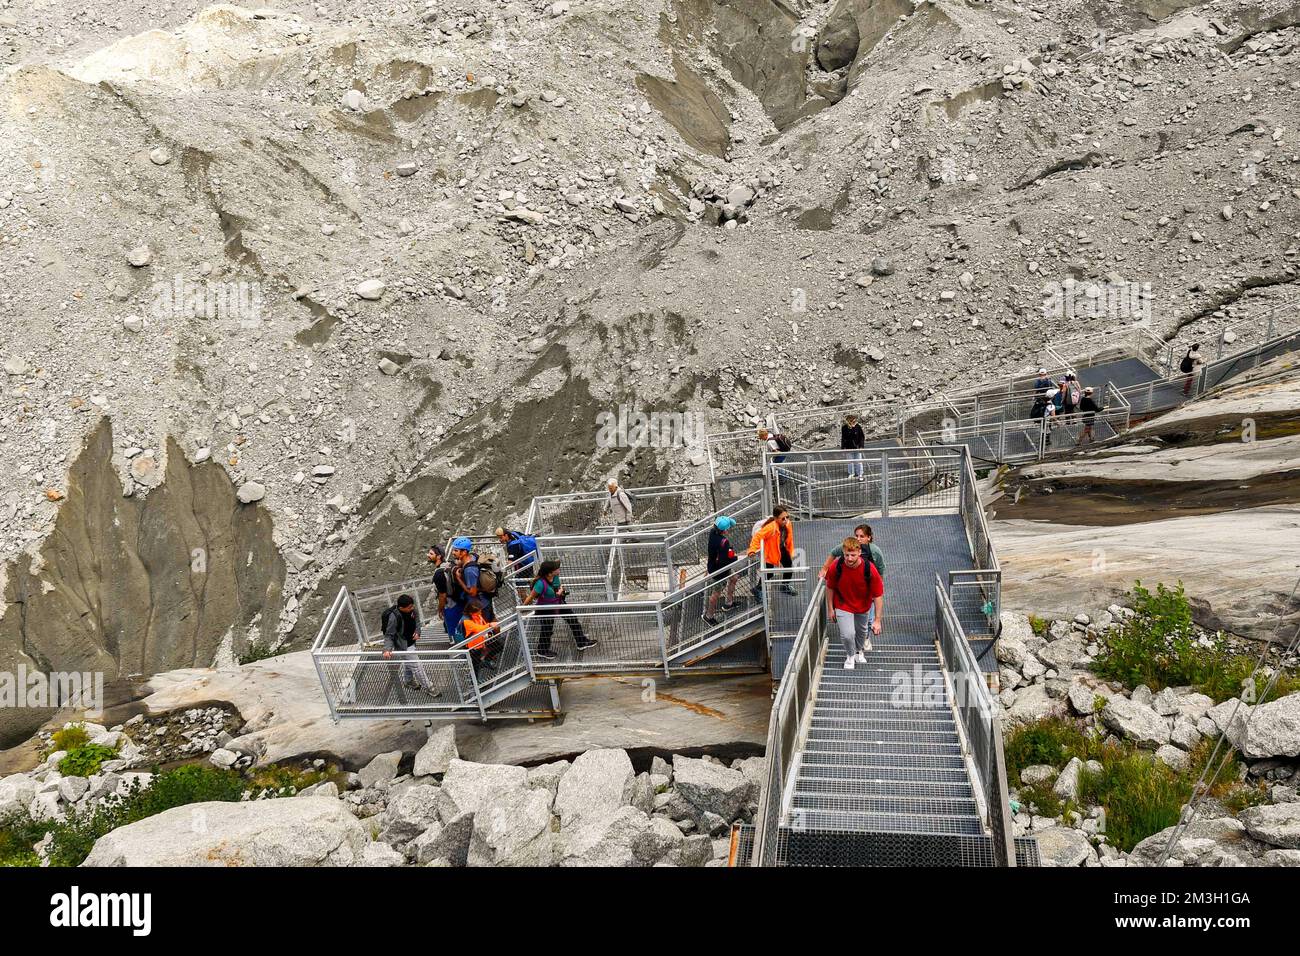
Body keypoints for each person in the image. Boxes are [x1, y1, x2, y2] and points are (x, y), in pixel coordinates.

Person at [824, 539, 884, 670]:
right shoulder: (836, 566)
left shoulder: (869, 568)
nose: (849, 559)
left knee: (862, 632)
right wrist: (830, 608)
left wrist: (877, 620)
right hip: (842, 604)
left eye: (853, 555)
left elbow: (878, 595)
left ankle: (858, 651)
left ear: (859, 552)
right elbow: (830, 587)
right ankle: (850, 655)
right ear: (843, 553)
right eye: (846, 555)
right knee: (847, 634)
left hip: (863, 605)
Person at [522, 560, 598, 660]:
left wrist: (561, 591)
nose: (559, 569)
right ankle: (542, 651)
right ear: (550, 572)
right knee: (547, 630)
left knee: (573, 620)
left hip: (558, 603)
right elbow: (531, 597)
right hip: (545, 608)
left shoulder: (555, 577)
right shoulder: (540, 583)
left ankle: (581, 642)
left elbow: (558, 587)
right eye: (556, 568)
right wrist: (522, 609)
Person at [381, 594, 440, 698]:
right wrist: (387, 649)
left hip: (411, 642)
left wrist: (417, 632)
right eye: (409, 607)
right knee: (417, 666)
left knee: (410, 663)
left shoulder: (412, 610)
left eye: (412, 606)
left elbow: (417, 623)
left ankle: (408, 681)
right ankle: (429, 688)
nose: (412, 608)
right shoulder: (394, 617)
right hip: (403, 646)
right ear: (401, 608)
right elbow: (389, 635)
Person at [445, 536, 495, 638]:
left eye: (456, 550)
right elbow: (462, 562)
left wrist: (458, 578)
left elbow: (472, 592)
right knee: (492, 620)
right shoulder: (472, 557)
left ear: (464, 552)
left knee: (485, 629)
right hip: (484, 600)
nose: (453, 553)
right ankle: (496, 641)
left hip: (480, 604)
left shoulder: (470, 570)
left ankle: (492, 648)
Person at [748, 506, 797, 596]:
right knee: (769, 573)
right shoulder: (771, 527)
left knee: (789, 566)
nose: (785, 520)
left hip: (781, 548)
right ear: (775, 518)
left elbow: (789, 538)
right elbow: (758, 537)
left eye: (787, 517)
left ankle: (784, 585)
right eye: (783, 518)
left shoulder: (788, 524)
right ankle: (758, 589)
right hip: (770, 551)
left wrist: (790, 551)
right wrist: (752, 550)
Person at [703, 516, 740, 625]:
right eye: (728, 528)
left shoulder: (712, 533)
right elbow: (724, 561)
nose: (729, 530)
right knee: (716, 594)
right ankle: (708, 616)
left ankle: (728, 603)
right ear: (724, 530)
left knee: (734, 578)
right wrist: (734, 558)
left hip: (713, 566)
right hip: (719, 571)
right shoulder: (724, 542)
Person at [455, 597, 501, 675]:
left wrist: (488, 635)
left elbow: (482, 624)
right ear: (472, 612)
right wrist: (490, 625)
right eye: (478, 611)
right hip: (473, 647)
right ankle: (476, 684)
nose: (480, 612)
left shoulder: (477, 616)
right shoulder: (466, 621)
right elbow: (479, 629)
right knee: (475, 667)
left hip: (480, 642)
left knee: (499, 646)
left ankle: (484, 661)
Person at [821, 524, 885, 581]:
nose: (858, 539)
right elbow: (833, 553)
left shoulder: (875, 551)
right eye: (856, 536)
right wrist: (824, 569)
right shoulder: (848, 546)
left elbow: (880, 570)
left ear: (869, 537)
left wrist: (879, 588)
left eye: (862, 536)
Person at [426, 544, 451, 634]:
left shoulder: (439, 573)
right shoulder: (446, 566)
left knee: (451, 629)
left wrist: (440, 609)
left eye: (431, 554)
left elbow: (442, 595)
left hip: (449, 604)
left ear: (439, 556)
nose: (428, 555)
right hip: (455, 602)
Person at [841, 414, 866, 480]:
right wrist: (843, 448)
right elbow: (844, 438)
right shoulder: (844, 428)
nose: (854, 423)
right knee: (850, 461)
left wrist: (861, 446)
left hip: (857, 446)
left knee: (859, 461)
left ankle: (860, 474)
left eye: (854, 421)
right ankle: (851, 473)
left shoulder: (858, 427)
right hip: (849, 447)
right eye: (852, 421)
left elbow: (862, 437)